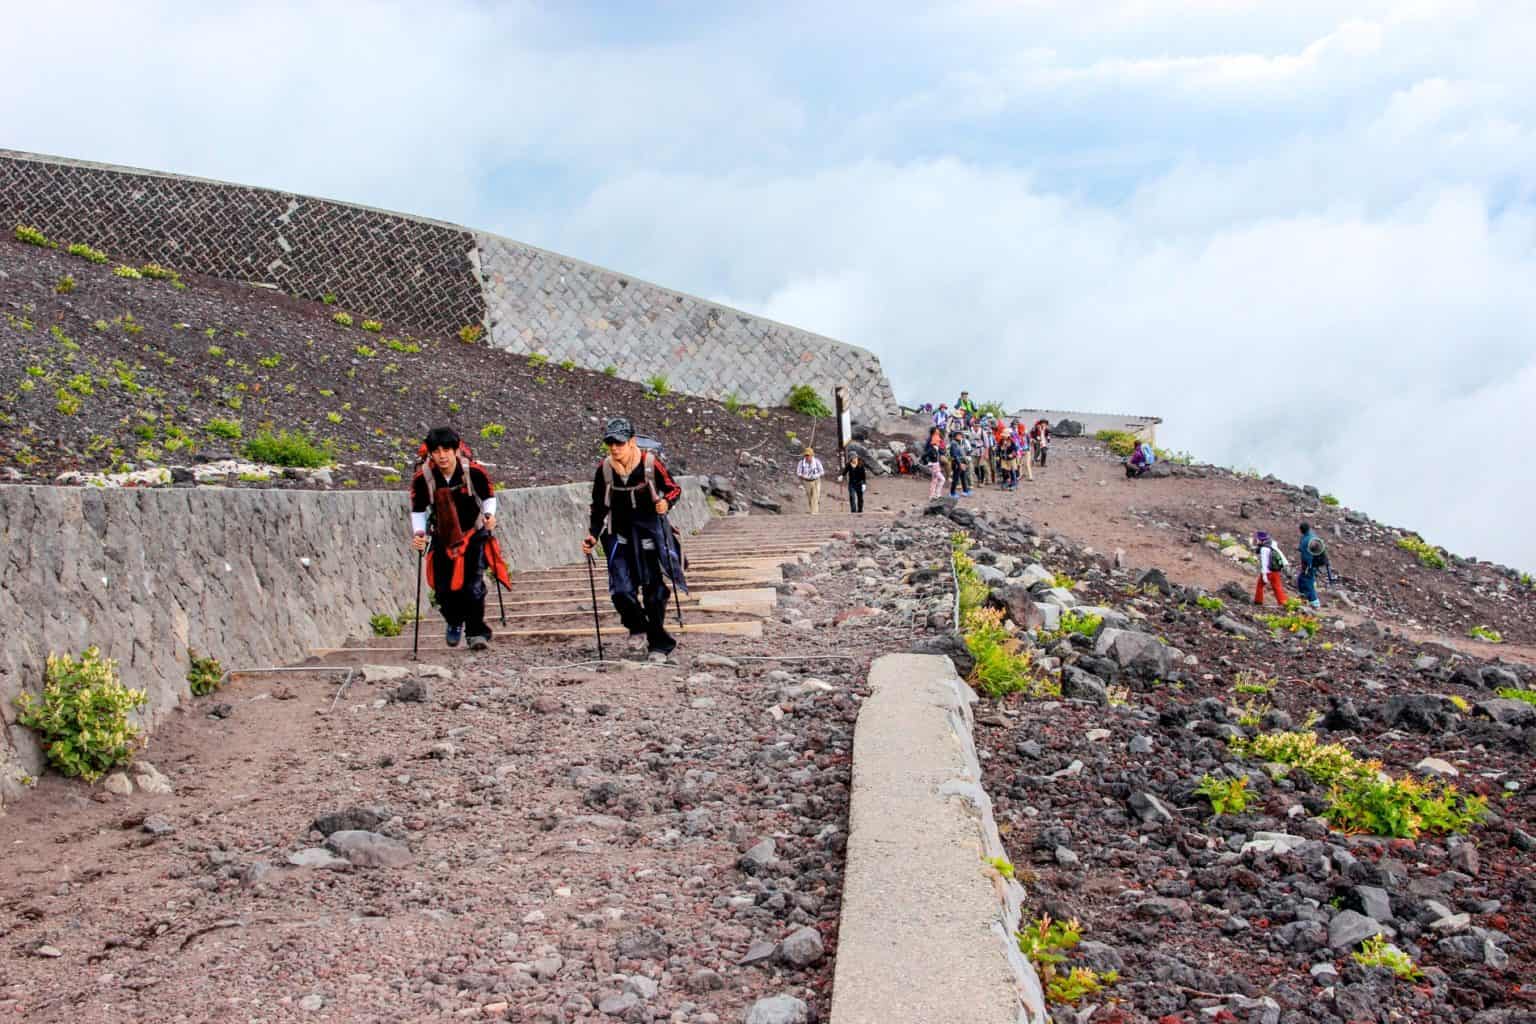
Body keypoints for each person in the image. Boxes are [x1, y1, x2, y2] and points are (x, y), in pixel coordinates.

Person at [582, 417, 687, 657]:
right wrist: (593, 535)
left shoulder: (650, 463)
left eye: (619, 443)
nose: (614, 448)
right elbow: (598, 506)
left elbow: (674, 489)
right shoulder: (605, 469)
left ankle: (659, 644)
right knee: (621, 591)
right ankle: (637, 627)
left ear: (631, 442)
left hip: (649, 534)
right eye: (610, 443)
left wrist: (665, 502)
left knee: (654, 593)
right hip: (619, 536)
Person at [410, 427, 506, 650]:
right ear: (431, 453)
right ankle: (453, 621)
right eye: (436, 451)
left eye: (446, 450)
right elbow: (418, 510)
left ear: (455, 450)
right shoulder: (423, 478)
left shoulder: (474, 472)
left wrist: (489, 515)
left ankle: (476, 633)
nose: (442, 456)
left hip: (474, 535)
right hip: (442, 537)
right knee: (443, 589)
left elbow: (489, 497)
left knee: (472, 586)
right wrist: (419, 534)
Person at [1252, 530, 1289, 606]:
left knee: (1260, 585)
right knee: (1277, 587)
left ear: (1261, 540)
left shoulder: (1264, 549)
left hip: (1268, 572)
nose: (1256, 540)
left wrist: (1264, 574)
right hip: (1275, 570)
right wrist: (1285, 563)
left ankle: (1258, 601)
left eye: (1257, 539)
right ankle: (1283, 602)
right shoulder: (1272, 544)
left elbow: (1264, 563)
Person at [1297, 522, 1325, 609]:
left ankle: (1315, 602)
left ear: (1301, 530)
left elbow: (1305, 554)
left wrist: (1308, 566)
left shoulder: (1305, 540)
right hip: (1314, 562)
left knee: (1307, 581)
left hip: (1309, 564)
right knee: (1301, 579)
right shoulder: (1313, 536)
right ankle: (1303, 596)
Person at [796, 446, 825, 514]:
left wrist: (817, 475)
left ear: (812, 455)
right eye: (806, 455)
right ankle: (813, 509)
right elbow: (798, 472)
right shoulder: (801, 463)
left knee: (815, 496)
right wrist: (802, 476)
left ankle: (814, 512)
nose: (807, 456)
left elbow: (822, 472)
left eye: (808, 455)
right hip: (806, 481)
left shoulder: (817, 461)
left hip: (816, 480)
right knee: (810, 496)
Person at [923, 428, 947, 499]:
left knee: (934, 481)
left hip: (936, 465)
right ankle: (937, 494)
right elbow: (924, 456)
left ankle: (932, 495)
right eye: (938, 441)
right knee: (942, 479)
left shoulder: (936, 448)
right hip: (934, 466)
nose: (939, 442)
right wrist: (928, 463)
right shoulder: (931, 449)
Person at [948, 430, 973, 497]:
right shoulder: (954, 443)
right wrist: (960, 464)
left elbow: (962, 453)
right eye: (958, 435)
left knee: (963, 477)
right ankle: (952, 493)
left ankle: (965, 491)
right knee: (956, 478)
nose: (960, 436)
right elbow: (954, 455)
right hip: (957, 463)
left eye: (960, 435)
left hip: (961, 462)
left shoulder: (959, 443)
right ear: (955, 436)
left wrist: (964, 462)